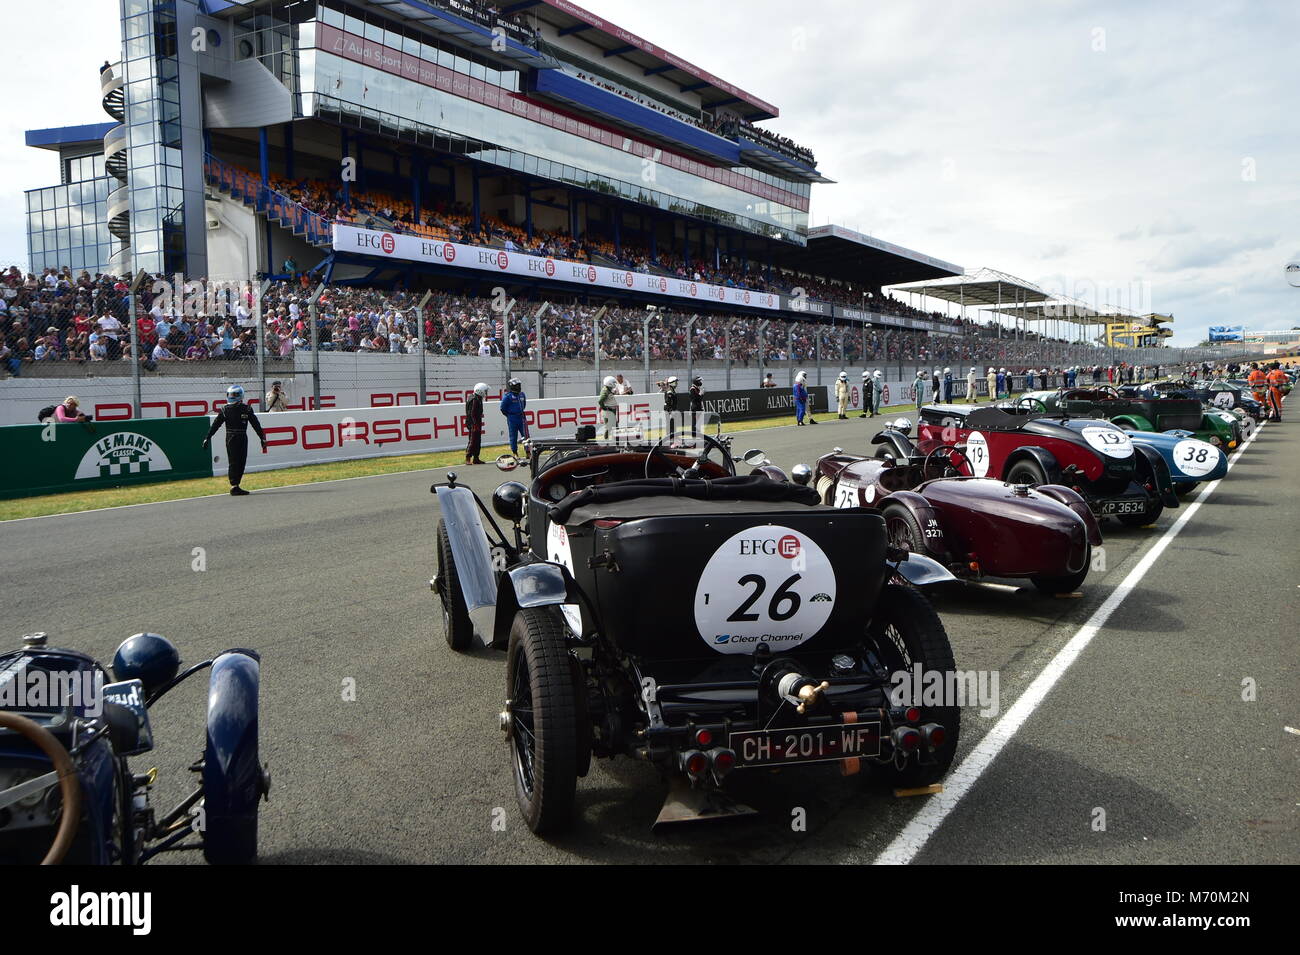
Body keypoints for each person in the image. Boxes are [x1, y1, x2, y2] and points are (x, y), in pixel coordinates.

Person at [203, 385, 266, 496]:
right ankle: (234, 486)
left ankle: (236, 485)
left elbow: (256, 424)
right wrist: (207, 437)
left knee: (242, 462)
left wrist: (262, 437)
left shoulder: (246, 409)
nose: (232, 396)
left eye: (234, 394)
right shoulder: (225, 410)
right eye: (231, 394)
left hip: (242, 437)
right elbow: (216, 425)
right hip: (231, 437)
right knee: (234, 462)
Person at [500, 378, 528, 454]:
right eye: (517, 385)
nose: (519, 387)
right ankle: (515, 452)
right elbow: (502, 408)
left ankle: (528, 451)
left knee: (526, 435)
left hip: (521, 417)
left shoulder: (522, 394)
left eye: (519, 385)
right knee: (513, 436)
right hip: (512, 418)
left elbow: (524, 405)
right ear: (512, 386)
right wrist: (510, 415)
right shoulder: (507, 397)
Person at [465, 382, 487, 464]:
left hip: (477, 421)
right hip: (473, 423)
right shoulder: (474, 399)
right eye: (485, 390)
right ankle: (468, 457)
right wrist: (474, 424)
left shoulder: (478, 398)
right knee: (472, 440)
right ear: (480, 391)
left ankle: (476, 457)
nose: (486, 392)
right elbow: (472, 413)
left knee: (478, 440)